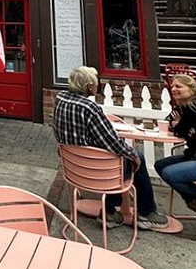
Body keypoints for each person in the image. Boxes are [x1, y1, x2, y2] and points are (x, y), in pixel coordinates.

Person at [53, 65, 168, 230]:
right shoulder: (90, 108)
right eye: (96, 83)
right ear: (89, 87)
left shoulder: (60, 98)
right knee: (136, 157)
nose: (97, 86)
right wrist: (132, 154)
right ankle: (146, 212)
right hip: (96, 169)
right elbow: (110, 140)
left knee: (115, 159)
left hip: (74, 168)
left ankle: (110, 210)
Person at [155, 74, 196, 221]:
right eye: (172, 86)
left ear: (192, 90)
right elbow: (171, 124)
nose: (174, 89)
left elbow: (181, 130)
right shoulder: (182, 108)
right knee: (160, 165)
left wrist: (181, 126)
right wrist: (182, 127)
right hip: (195, 156)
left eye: (179, 86)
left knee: (170, 173)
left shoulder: (195, 106)